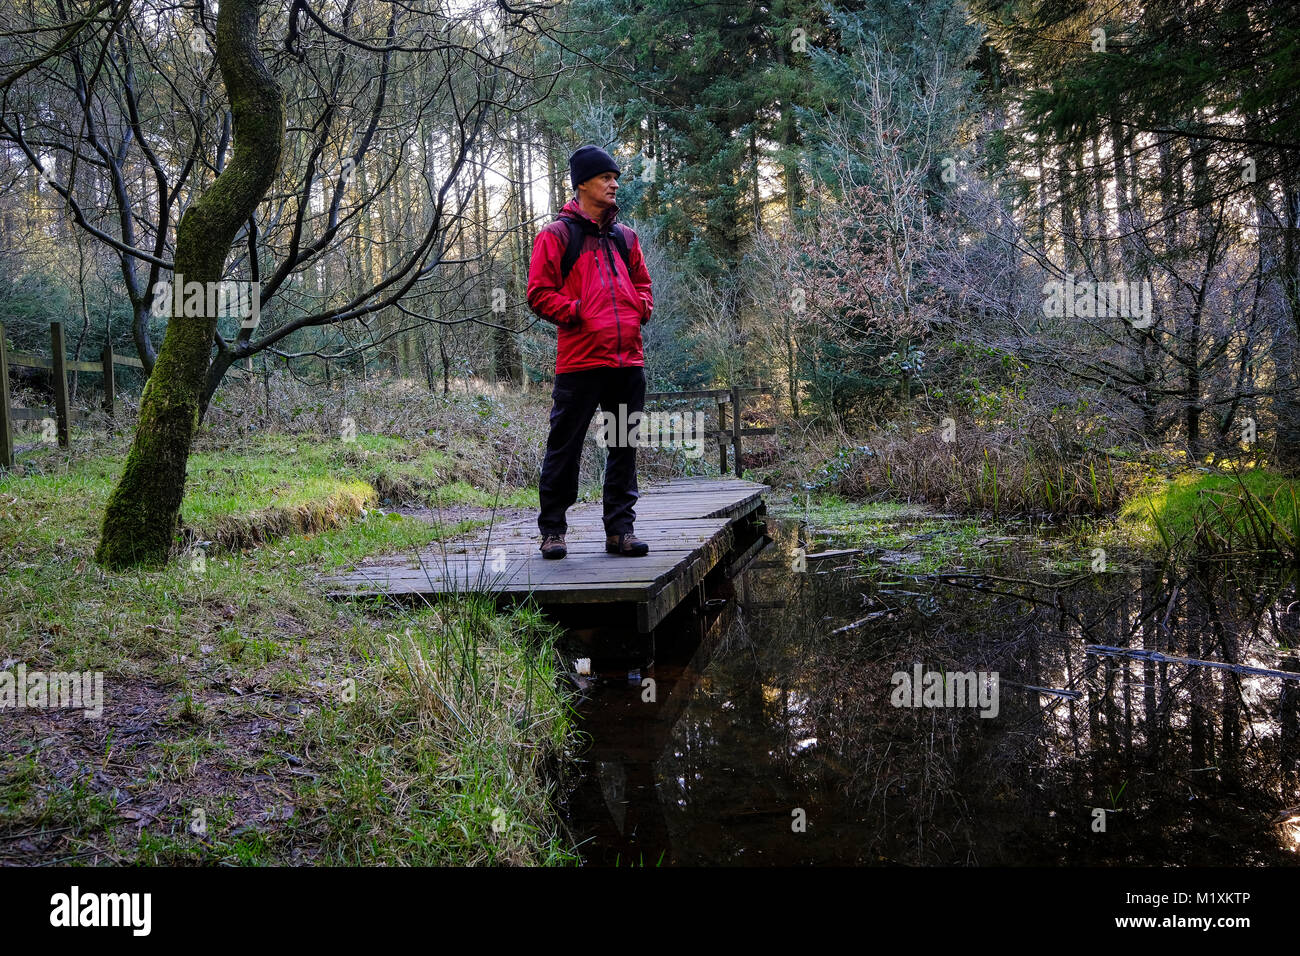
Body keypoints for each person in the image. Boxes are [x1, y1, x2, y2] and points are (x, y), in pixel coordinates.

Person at [526, 145, 654, 559]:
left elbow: (644, 287)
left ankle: (620, 531)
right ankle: (553, 532)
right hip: (580, 362)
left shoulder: (625, 237)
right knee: (566, 447)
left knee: (622, 447)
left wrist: (639, 311)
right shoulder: (557, 236)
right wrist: (579, 312)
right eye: (605, 178)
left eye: (615, 177)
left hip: (626, 362)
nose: (615, 184)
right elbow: (539, 293)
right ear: (582, 184)